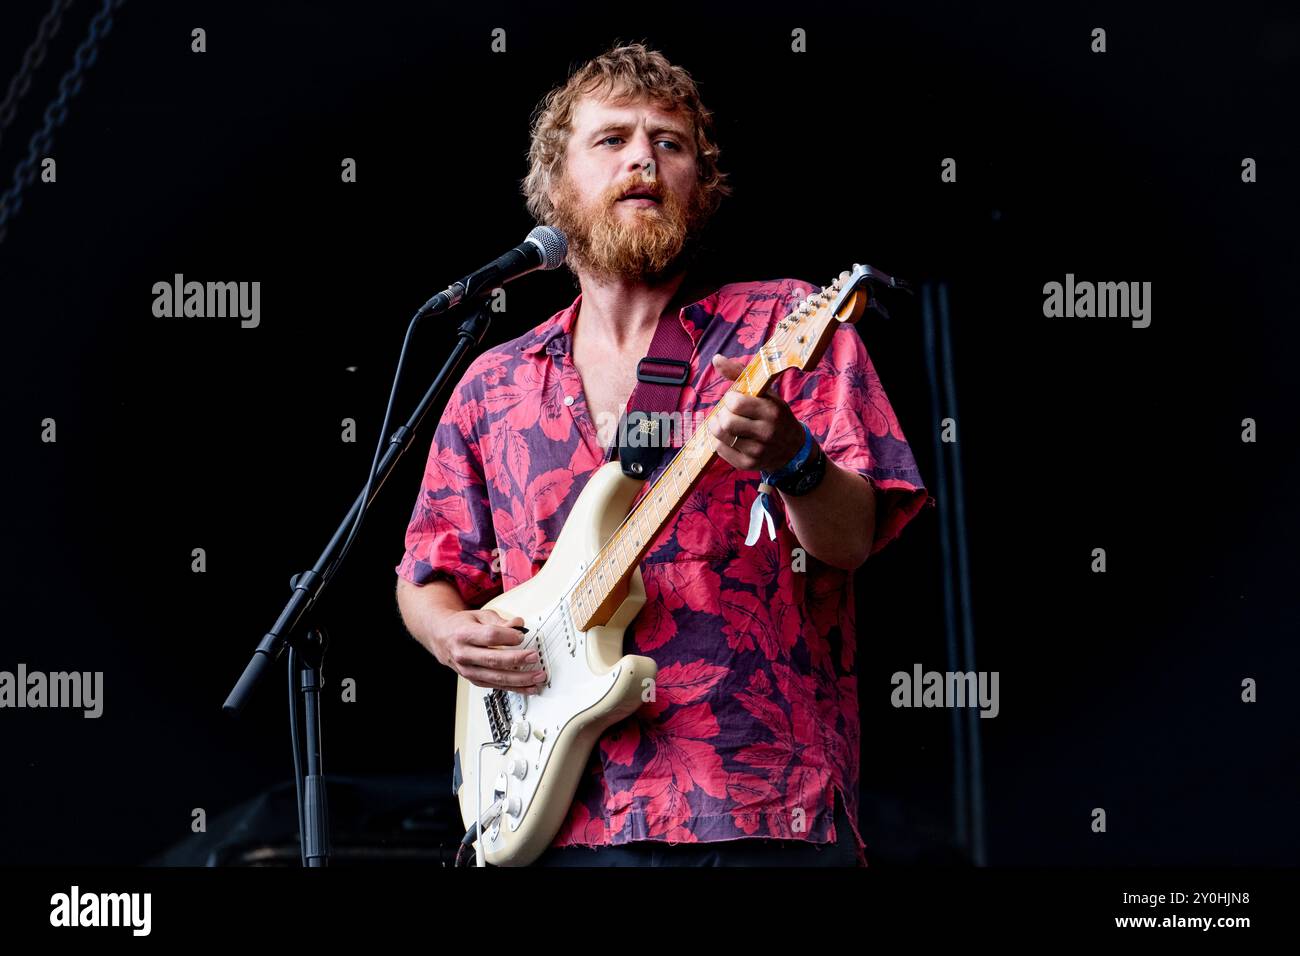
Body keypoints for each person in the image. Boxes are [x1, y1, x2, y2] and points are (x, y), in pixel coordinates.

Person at [395, 42, 929, 866]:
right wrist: (445, 637)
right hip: (560, 816)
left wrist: (792, 458)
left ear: (700, 187)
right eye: (612, 140)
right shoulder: (491, 384)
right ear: (555, 187)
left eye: (669, 143)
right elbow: (428, 572)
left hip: (757, 805)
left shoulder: (779, 325)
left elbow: (852, 539)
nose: (643, 156)